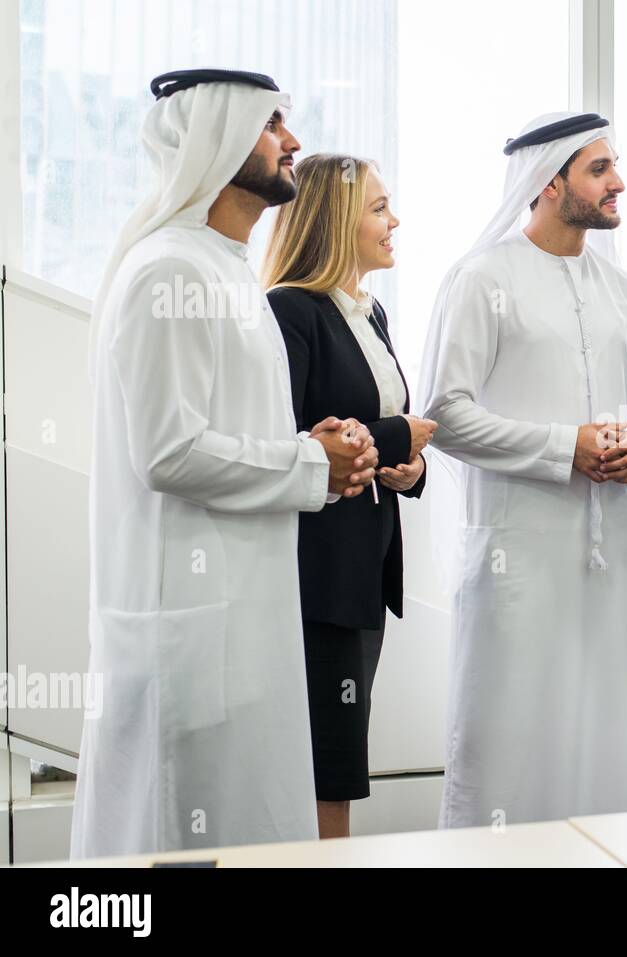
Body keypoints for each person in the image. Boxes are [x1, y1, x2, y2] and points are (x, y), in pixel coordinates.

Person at [72, 69, 378, 858]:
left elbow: (231, 430)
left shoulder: (227, 269)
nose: (294, 142)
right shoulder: (168, 269)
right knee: (182, 831)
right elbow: (170, 451)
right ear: (217, 135)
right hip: (194, 629)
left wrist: (319, 444)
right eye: (273, 123)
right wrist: (310, 463)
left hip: (246, 621)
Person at [415, 111, 627, 828]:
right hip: (515, 563)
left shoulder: (623, 289)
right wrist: (567, 446)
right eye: (599, 169)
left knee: (607, 732)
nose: (619, 181)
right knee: (510, 745)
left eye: (614, 164)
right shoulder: (479, 279)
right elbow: (445, 414)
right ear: (549, 182)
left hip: (613, 557)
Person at [263, 154, 436, 838]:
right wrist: (399, 435)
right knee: (325, 762)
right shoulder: (289, 311)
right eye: (378, 208)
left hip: (365, 571)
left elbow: (391, 441)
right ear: (336, 222)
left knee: (338, 754)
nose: (394, 221)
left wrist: (408, 468)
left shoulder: (372, 311)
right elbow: (289, 440)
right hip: (316, 577)